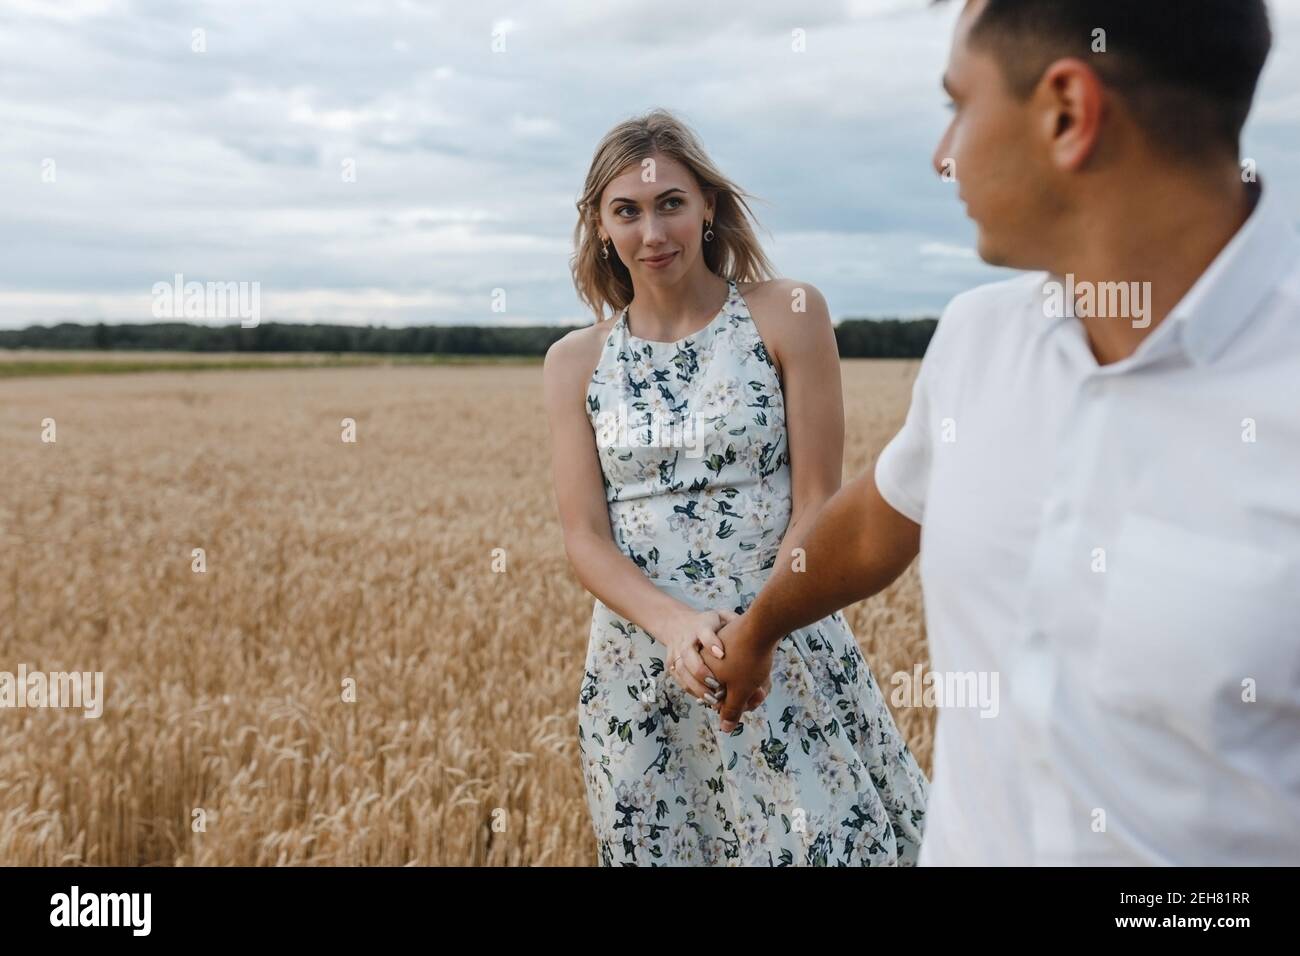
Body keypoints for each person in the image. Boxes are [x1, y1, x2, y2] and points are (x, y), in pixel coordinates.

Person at [708, 0, 1299, 865]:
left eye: (958, 103)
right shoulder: (979, 339)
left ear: (1067, 112)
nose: (943, 155)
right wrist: (757, 632)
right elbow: (878, 520)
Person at [543, 108, 929, 866]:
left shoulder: (788, 313)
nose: (652, 233)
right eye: (627, 211)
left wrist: (753, 636)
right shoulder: (573, 362)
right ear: (600, 225)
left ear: (708, 205)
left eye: (670, 204)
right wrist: (676, 630)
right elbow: (584, 539)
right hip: (644, 673)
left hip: (781, 643)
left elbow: (818, 496)